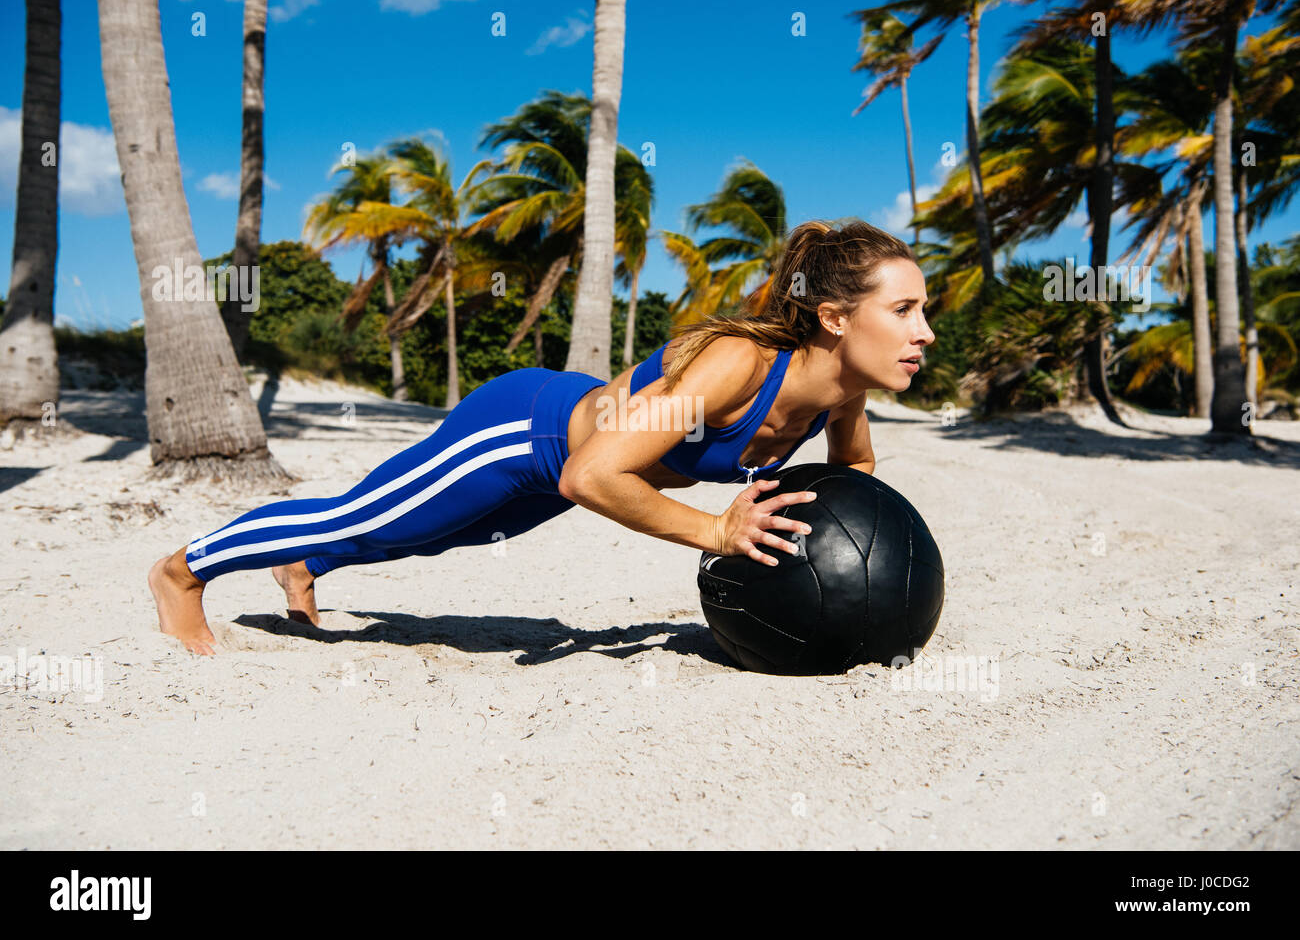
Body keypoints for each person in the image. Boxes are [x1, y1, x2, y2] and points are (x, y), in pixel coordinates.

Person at [148, 219, 934, 655]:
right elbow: (592, 477)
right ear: (834, 318)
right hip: (524, 432)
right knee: (365, 515)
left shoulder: (840, 392)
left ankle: (302, 565)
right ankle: (184, 572)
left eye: (923, 310)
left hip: (557, 464)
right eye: (904, 311)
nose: (924, 331)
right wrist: (720, 530)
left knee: (421, 539)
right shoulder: (737, 366)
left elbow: (853, 475)